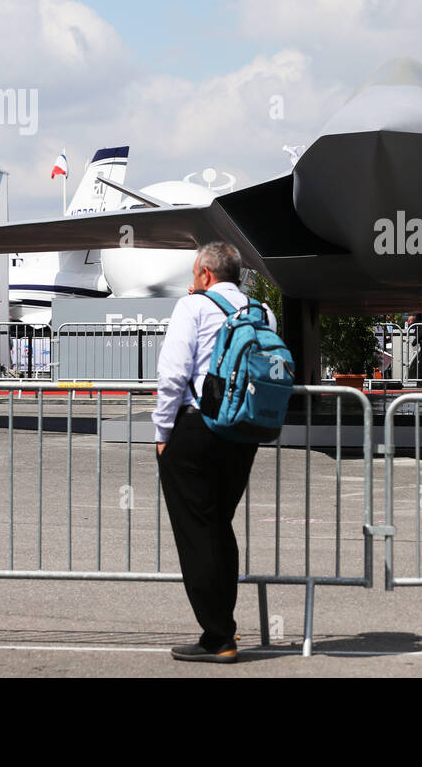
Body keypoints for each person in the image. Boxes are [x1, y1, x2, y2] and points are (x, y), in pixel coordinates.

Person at [154, 242, 277, 663]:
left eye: (194, 274)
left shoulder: (194, 307)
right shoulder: (263, 312)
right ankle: (225, 627)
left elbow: (172, 375)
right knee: (218, 527)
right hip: (244, 430)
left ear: (206, 274)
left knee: (197, 531)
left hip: (198, 427)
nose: (193, 281)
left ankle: (218, 636)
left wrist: (162, 432)